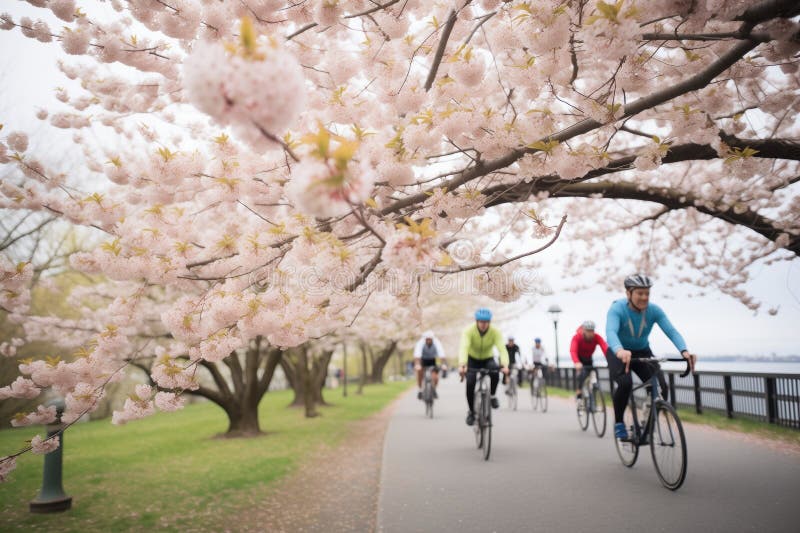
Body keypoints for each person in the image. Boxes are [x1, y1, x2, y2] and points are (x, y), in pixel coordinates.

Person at [606, 274, 696, 440]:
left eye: (647, 293)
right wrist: (619, 350)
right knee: (626, 384)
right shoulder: (617, 308)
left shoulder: (654, 310)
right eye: (640, 293)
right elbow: (611, 332)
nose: (644, 297)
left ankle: (647, 424)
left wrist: (684, 351)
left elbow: (671, 331)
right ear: (628, 293)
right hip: (617, 352)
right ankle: (619, 423)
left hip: (642, 351)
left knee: (661, 387)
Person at [458, 308, 510, 426]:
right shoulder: (468, 331)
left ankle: (492, 395)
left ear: (489, 322)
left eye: (486, 322)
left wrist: (505, 364)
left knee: (495, 372)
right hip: (472, 359)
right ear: (476, 321)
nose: (483, 324)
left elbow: (502, 348)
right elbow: (464, 347)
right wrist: (462, 364)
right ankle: (471, 412)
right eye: (481, 321)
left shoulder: (495, 332)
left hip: (487, 358)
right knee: (470, 383)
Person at [570, 320, 609, 399]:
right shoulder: (577, 337)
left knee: (593, 371)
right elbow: (573, 350)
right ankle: (579, 393)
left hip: (588, 358)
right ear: (583, 330)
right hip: (579, 358)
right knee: (582, 375)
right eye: (588, 331)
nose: (590, 333)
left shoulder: (596, 337)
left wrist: (610, 359)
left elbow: (605, 347)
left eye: (592, 330)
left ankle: (593, 387)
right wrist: (576, 362)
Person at [413, 330, 446, 400]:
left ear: (432, 339)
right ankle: (420, 390)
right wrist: (417, 365)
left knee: (435, 377)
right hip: (423, 360)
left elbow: (441, 353)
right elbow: (417, 354)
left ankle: (434, 389)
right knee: (419, 373)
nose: (428, 341)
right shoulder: (420, 343)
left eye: (430, 339)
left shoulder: (437, 342)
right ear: (424, 339)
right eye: (426, 339)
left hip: (432, 360)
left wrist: (443, 364)